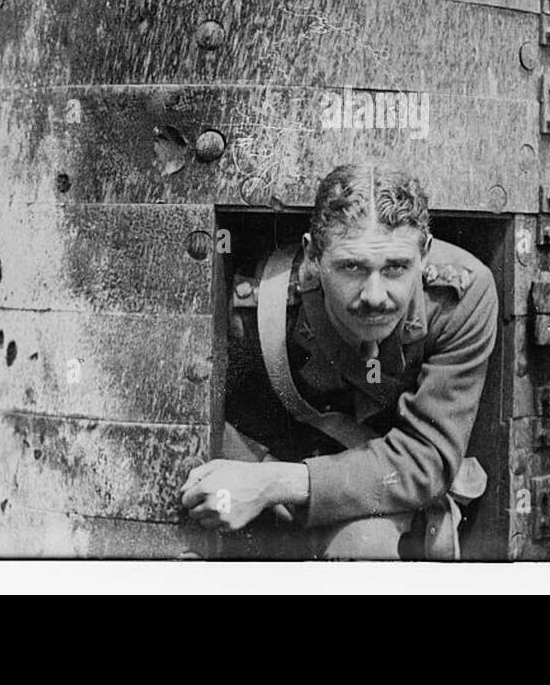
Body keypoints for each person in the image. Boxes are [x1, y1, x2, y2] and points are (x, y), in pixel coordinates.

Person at [179, 162, 498, 559]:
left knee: (366, 547)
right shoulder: (259, 305)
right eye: (352, 267)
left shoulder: (460, 297)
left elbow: (428, 458)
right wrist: (255, 469)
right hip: (281, 487)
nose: (376, 296)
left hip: (379, 492)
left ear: (425, 253)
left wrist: (278, 482)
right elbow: (206, 410)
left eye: (397, 268)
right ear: (313, 255)